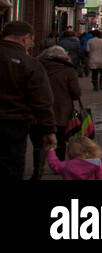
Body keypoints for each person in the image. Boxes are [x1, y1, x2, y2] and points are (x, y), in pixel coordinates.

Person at [0, 21, 55, 182]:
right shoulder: (29, 64)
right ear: (24, 39)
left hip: (13, 125)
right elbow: (42, 100)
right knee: (9, 171)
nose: (31, 45)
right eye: (31, 41)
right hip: (12, 127)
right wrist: (48, 130)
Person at [29, 45, 82, 180]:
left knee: (38, 142)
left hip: (38, 111)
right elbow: (76, 93)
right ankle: (58, 167)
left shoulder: (36, 67)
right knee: (60, 141)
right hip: (61, 112)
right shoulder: (68, 70)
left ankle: (38, 170)